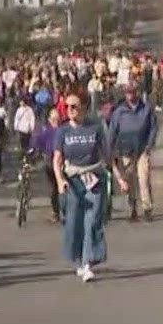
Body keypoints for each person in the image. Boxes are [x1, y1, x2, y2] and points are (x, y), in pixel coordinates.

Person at [57, 92, 113, 282]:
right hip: (73, 180)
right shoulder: (63, 131)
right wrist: (60, 180)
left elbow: (107, 155)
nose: (70, 110)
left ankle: (88, 261)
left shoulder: (95, 127)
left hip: (94, 177)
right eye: (66, 107)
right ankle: (80, 260)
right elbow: (57, 159)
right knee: (75, 221)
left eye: (74, 106)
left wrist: (118, 176)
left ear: (83, 108)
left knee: (93, 219)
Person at [105, 82, 158, 221]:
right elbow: (112, 132)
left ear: (137, 92)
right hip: (125, 151)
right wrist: (109, 151)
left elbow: (153, 127)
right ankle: (132, 207)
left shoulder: (146, 109)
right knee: (130, 181)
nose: (130, 95)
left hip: (142, 150)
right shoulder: (119, 112)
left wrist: (149, 144)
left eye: (133, 92)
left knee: (144, 178)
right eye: (128, 92)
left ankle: (147, 208)